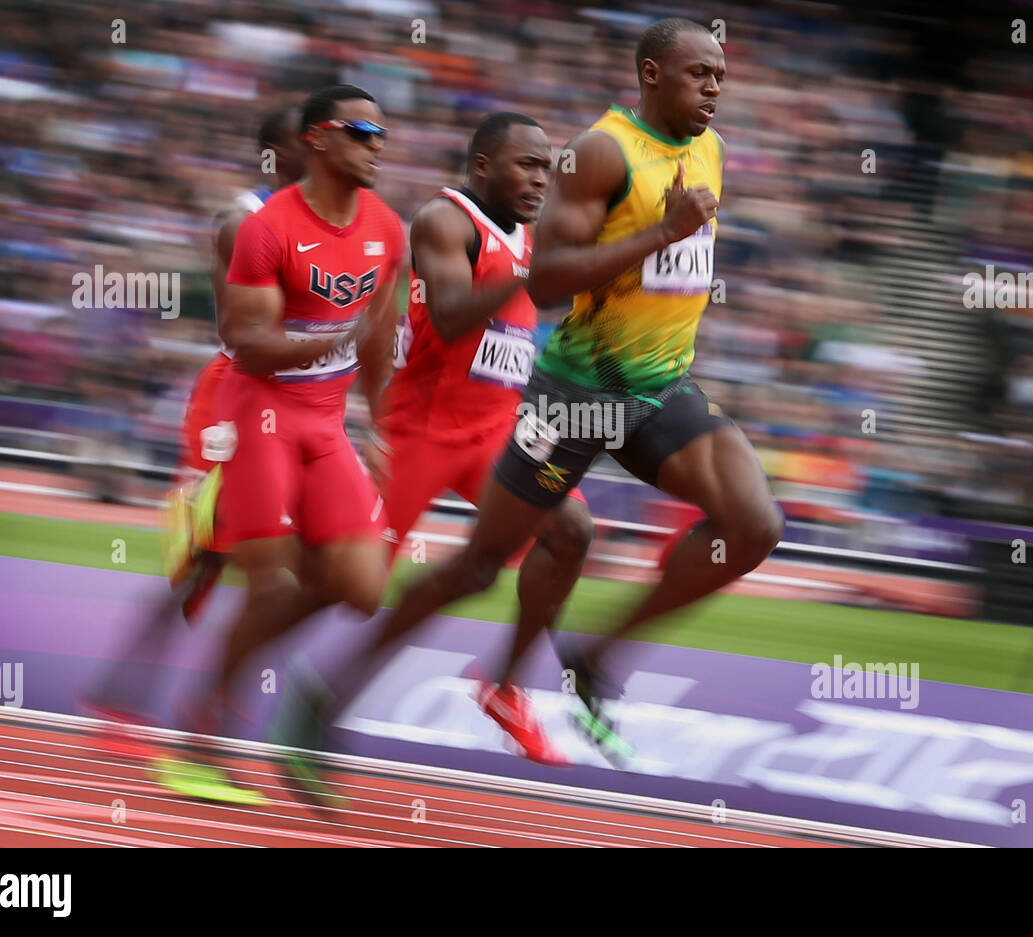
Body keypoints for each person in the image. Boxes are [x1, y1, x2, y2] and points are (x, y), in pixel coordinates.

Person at [329, 19, 782, 760]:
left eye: (720, 78)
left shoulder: (713, 150)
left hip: (661, 385)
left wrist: (671, 248)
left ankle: (596, 656)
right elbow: (546, 280)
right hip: (575, 393)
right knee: (478, 566)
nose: (712, 89)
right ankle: (330, 695)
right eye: (698, 73)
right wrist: (662, 233)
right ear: (650, 74)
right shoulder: (599, 153)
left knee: (753, 525)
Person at [279, 113, 594, 770]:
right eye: (527, 165)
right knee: (342, 586)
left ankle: (505, 688)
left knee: (570, 529)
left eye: (548, 167)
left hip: (494, 432)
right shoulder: (442, 221)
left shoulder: (532, 236)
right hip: (418, 433)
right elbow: (450, 316)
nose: (542, 178)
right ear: (483, 167)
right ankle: (258, 657)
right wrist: (539, 276)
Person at [156, 85, 405, 803]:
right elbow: (248, 344)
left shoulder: (388, 227)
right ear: (319, 140)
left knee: (359, 586)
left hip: (324, 421)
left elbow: (382, 335)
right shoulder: (266, 227)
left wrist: (381, 422)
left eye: (384, 134)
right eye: (363, 132)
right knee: (275, 583)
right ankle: (204, 733)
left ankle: (243, 650)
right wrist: (335, 337)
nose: (378, 146)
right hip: (258, 410)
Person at [82, 106, 306, 756]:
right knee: (201, 563)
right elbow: (244, 330)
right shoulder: (245, 217)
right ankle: (129, 701)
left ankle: (197, 706)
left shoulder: (321, 218)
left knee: (271, 565)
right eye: (305, 143)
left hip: (290, 405)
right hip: (232, 403)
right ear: (273, 153)